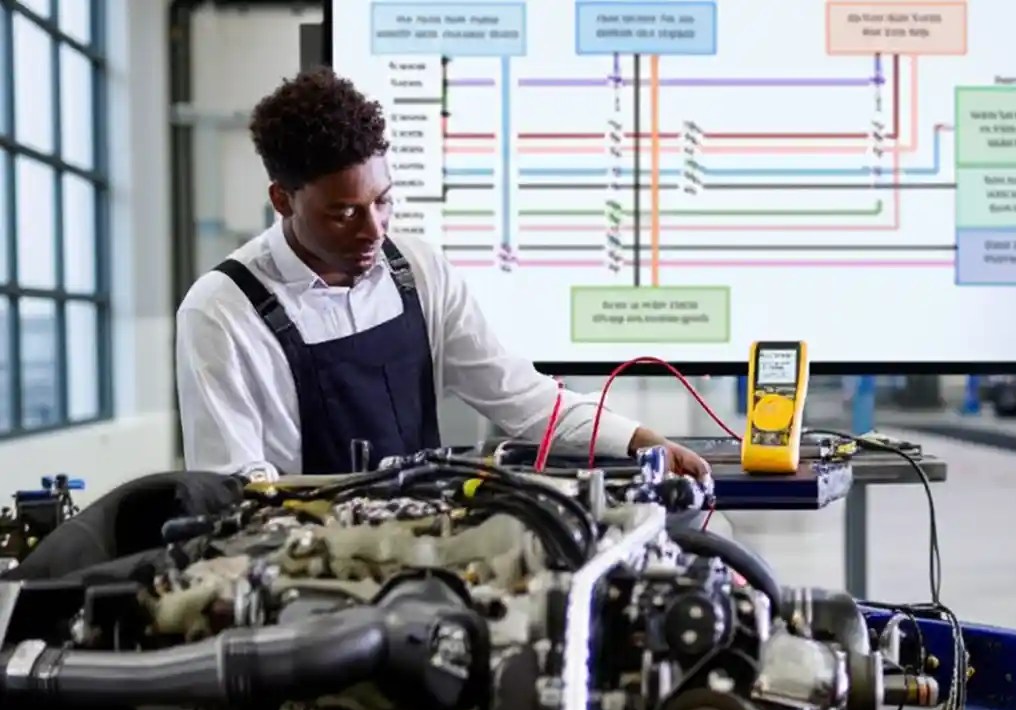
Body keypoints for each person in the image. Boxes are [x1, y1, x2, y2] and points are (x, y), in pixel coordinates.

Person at [175, 67, 709, 479]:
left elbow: (519, 397)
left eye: (383, 201)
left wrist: (640, 439)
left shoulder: (417, 270)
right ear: (281, 200)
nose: (374, 230)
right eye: (343, 214)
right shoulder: (222, 313)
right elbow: (234, 486)